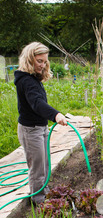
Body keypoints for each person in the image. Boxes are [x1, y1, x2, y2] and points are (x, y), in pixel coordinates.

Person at [14, 42, 68, 205]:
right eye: (39, 61)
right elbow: (37, 103)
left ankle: (43, 191)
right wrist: (55, 114)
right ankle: (38, 200)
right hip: (30, 130)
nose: (43, 65)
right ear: (29, 59)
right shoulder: (27, 81)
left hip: (39, 127)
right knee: (37, 167)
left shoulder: (32, 78)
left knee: (44, 163)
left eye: (45, 61)